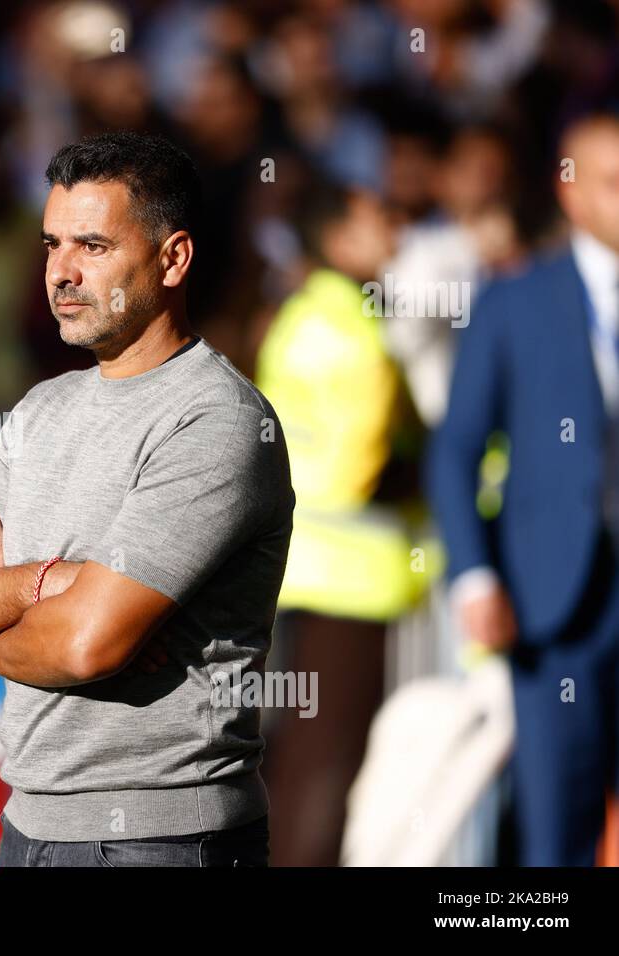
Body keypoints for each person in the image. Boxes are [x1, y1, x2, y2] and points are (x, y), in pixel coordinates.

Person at [0, 131, 294, 867]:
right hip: (28, 827)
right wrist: (43, 585)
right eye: (51, 245)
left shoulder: (216, 421)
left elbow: (85, 645)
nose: (60, 273)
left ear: (173, 258)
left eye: (93, 247)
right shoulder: (41, 410)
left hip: (162, 839)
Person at [428, 112, 619, 866]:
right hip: (554, 602)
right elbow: (456, 451)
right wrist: (474, 576)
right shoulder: (516, 301)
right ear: (572, 196)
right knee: (555, 831)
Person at [254, 181, 426, 866]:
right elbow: (363, 469)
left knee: (295, 762)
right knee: (323, 771)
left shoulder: (309, 315)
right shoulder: (349, 328)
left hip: (307, 576)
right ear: (338, 239)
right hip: (345, 584)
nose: (397, 227)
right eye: (379, 215)